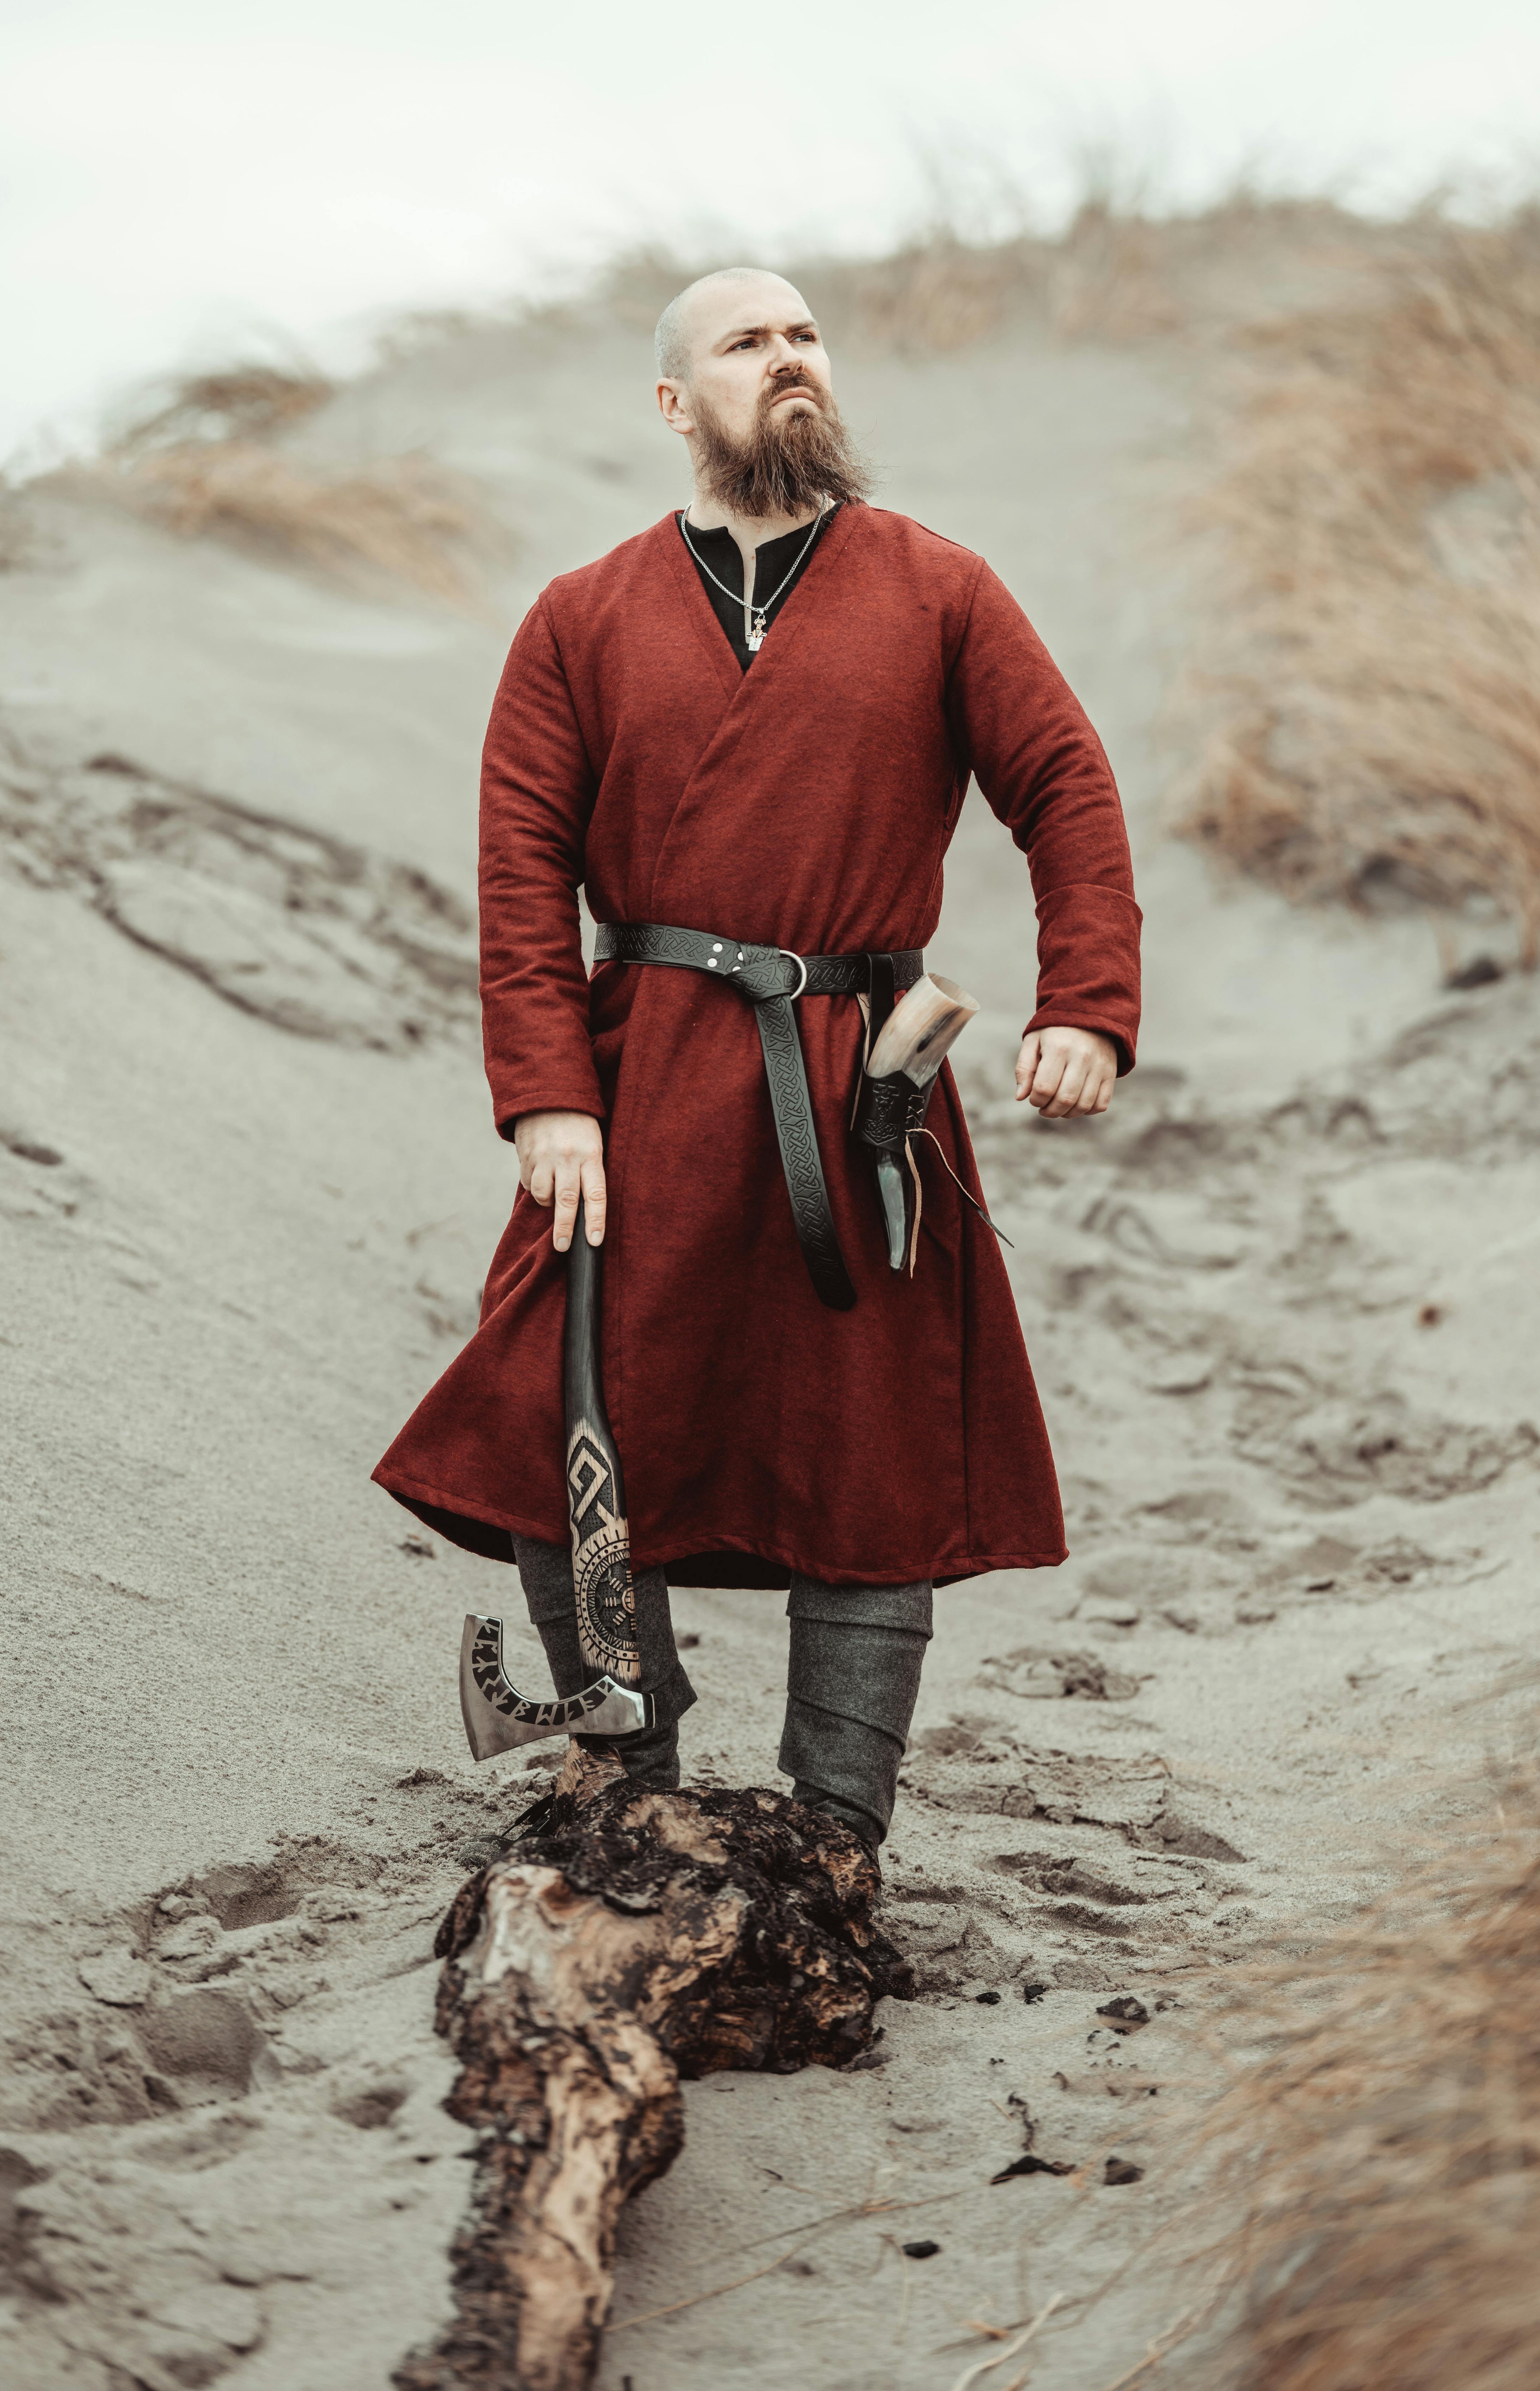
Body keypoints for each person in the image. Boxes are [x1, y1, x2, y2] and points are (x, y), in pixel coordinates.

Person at [374, 269, 1139, 1854]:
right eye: (747, 343)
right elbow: (520, 870)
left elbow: (1064, 785)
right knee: (564, 1410)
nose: (789, 360)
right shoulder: (580, 615)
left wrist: (1086, 1000)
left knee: (866, 1446)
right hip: (640, 1073)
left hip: (860, 1086)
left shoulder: (939, 588)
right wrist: (546, 1093)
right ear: (676, 404)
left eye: (805, 337)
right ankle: (623, 1778)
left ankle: (837, 1827)